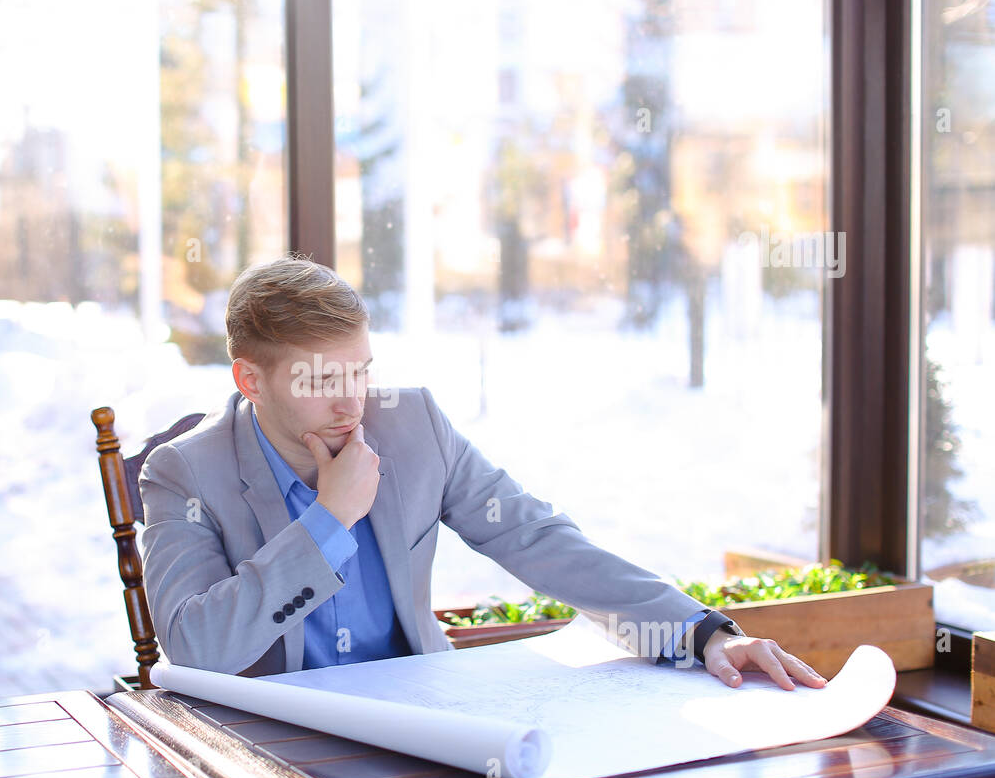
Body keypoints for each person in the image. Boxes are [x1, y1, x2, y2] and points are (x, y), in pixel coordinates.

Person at [139, 255, 826, 691]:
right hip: (265, 745)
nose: (352, 403)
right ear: (249, 380)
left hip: (417, 719)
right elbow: (197, 649)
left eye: (359, 371)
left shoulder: (413, 429)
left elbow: (535, 538)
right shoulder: (185, 473)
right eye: (320, 381)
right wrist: (328, 522)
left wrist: (703, 632)